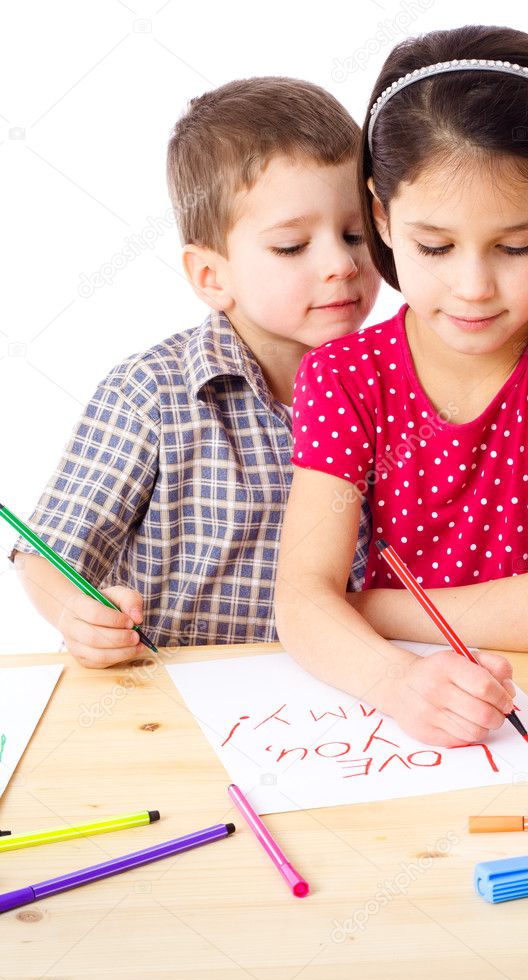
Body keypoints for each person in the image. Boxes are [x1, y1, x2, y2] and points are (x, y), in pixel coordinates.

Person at [275, 26, 528, 748]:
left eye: (515, 247)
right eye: (435, 246)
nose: (472, 287)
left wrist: (359, 607)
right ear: (380, 216)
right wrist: (394, 679)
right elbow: (301, 598)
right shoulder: (344, 375)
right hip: (433, 695)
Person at [11, 77, 380, 666]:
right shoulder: (152, 392)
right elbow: (47, 552)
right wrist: (74, 612)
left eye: (357, 234)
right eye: (291, 246)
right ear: (211, 275)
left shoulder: (399, 388)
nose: (341, 264)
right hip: (171, 701)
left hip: (336, 703)